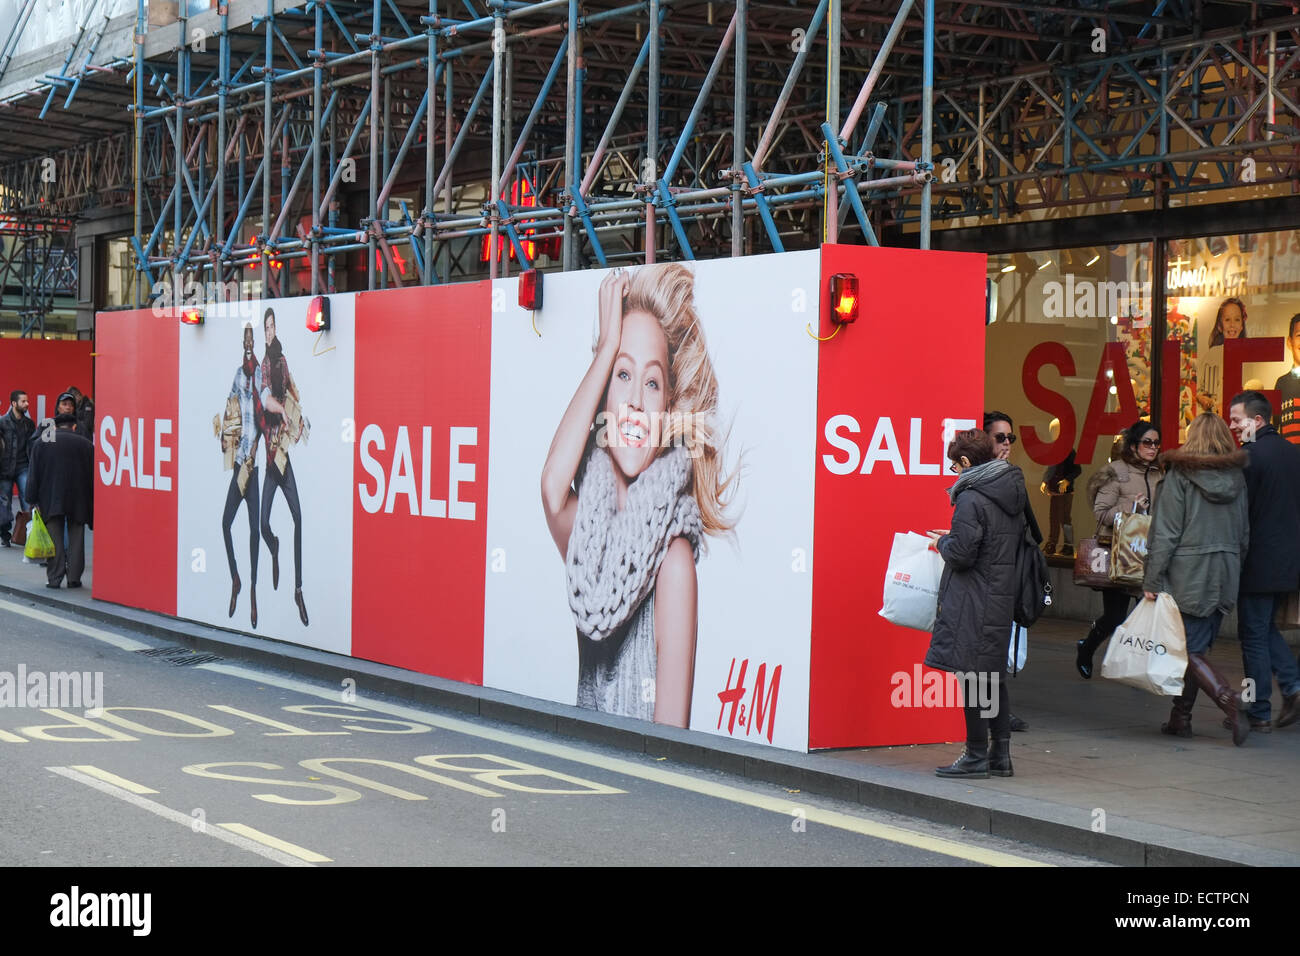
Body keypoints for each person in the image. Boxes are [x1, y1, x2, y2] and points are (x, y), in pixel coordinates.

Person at [541, 265, 736, 728]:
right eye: (621, 375)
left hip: (633, 790)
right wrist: (605, 349)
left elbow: (672, 733)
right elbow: (552, 489)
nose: (633, 402)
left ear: (668, 408)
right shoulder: (590, 535)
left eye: (651, 383)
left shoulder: (673, 560)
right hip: (582, 773)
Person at [1143, 413, 1250, 745]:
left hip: (1189, 571)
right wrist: (1234, 565)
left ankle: (1228, 700)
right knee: (1196, 648)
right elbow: (1244, 533)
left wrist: (1152, 579)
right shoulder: (1237, 478)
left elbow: (1166, 534)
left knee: (1187, 650)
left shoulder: (1180, 476)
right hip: (1226, 568)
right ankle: (1181, 717)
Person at [926, 429, 1026, 778]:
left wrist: (943, 544)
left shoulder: (971, 497)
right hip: (999, 596)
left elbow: (964, 554)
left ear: (966, 462)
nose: (955, 472)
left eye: (955, 465)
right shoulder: (1010, 491)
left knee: (972, 677)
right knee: (992, 677)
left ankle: (975, 755)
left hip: (974, 598)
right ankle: (1001, 756)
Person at [1227, 391, 1300, 730]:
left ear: (1257, 421)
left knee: (1253, 636)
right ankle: (1293, 686)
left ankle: (1257, 709)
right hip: (1288, 561)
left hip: (1257, 561)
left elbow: (1239, 514)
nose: (1232, 426)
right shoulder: (1292, 453)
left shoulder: (1249, 457)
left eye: (1237, 419)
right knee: (1264, 629)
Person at [1075, 420, 1164, 679]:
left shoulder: (1160, 474)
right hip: (1120, 555)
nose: (1153, 447)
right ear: (1134, 445)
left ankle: (1135, 667)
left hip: (1149, 555)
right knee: (1115, 617)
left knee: (1145, 616)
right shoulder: (1116, 472)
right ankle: (1087, 647)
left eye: (1156, 443)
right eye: (1147, 442)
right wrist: (1131, 508)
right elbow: (1100, 512)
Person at [982, 410, 1036, 733]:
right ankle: (993, 734)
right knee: (987, 659)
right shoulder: (985, 479)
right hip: (993, 578)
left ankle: (991, 735)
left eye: (1010, 438)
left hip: (1004, 577)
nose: (1006, 444)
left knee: (994, 657)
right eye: (999, 437)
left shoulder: (1008, 479)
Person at [259, 306, 310, 626]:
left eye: (272, 326)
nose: (269, 331)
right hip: (268, 458)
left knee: (298, 518)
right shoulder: (264, 364)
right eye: (266, 327)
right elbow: (265, 397)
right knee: (263, 524)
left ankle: (298, 590)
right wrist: (282, 410)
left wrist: (299, 418)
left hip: (283, 456)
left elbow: (292, 390)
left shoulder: (282, 360)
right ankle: (274, 546)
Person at [220, 324, 263, 629]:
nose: (247, 343)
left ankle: (252, 592)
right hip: (239, 463)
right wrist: (225, 436)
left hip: (255, 465)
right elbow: (230, 407)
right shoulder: (239, 373)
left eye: (251, 339)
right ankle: (235, 577)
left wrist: (255, 449)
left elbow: (264, 420)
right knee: (226, 523)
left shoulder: (261, 375)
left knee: (253, 531)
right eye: (244, 339)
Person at [24, 412, 93, 589]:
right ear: (74, 427)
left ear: (54, 427)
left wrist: (32, 499)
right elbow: (93, 476)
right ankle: (74, 578)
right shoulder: (86, 444)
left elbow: (34, 474)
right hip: (79, 498)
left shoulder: (42, 443)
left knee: (54, 536)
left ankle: (54, 578)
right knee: (77, 537)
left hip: (50, 497)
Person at [1197, 297, 1248, 416]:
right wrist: (1208, 402)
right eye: (1227, 320)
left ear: (1242, 325)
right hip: (1215, 421)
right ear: (1220, 325)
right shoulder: (1211, 356)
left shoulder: (1249, 356)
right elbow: (1200, 391)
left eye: (1237, 320)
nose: (1232, 325)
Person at [0, 389, 35, 547]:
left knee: (27, 499)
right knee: (4, 503)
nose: (27, 404)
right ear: (14, 403)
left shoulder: (29, 424)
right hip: (4, 468)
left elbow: (33, 447)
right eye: (23, 401)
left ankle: (29, 534)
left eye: (27, 401)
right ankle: (4, 534)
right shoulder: (2, 422)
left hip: (23, 467)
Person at [1274, 313, 1300, 445]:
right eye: (1299, 336)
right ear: (1290, 342)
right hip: (1289, 461)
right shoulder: (1281, 383)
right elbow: (1275, 425)